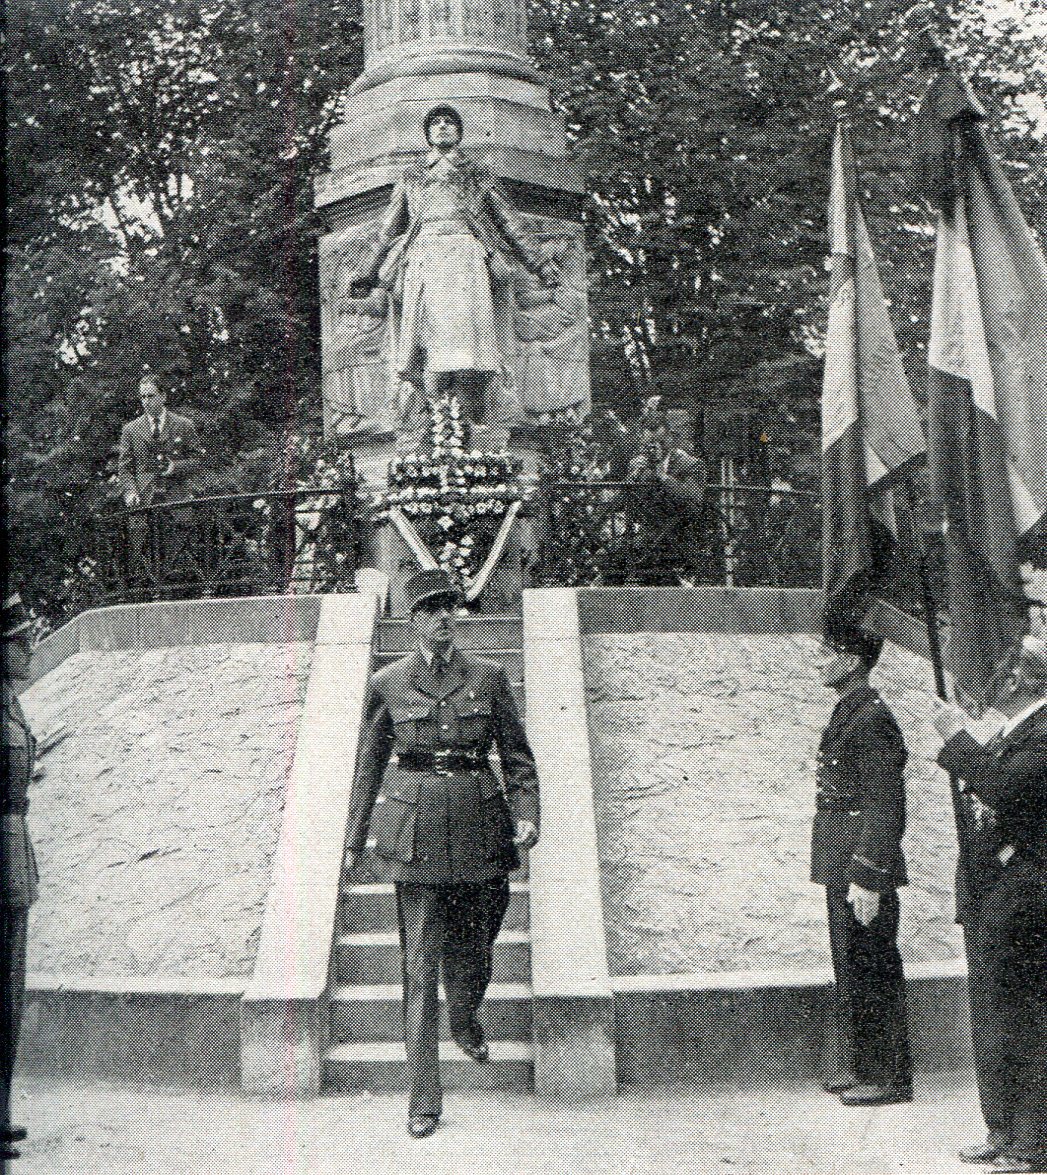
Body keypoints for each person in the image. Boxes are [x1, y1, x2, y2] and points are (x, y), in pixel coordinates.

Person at [344, 569, 540, 1139]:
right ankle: (423, 1098)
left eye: (450, 608)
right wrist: (355, 838)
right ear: (414, 621)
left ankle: (465, 1011)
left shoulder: (489, 677)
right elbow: (368, 766)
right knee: (419, 965)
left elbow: (518, 757)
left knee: (478, 943)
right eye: (430, 610)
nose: (443, 619)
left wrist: (527, 811)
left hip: (482, 824)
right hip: (414, 832)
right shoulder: (388, 683)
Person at [349, 105, 558, 427]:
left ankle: (467, 425)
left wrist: (541, 264)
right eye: (436, 123)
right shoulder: (412, 176)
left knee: (467, 346)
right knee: (427, 343)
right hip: (424, 258)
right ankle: (438, 426)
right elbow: (389, 227)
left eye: (450, 123)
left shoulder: (478, 174)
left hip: (466, 258)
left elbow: (509, 223)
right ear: (428, 134)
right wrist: (367, 272)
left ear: (459, 132)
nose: (443, 127)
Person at [932, 635, 1047, 1174]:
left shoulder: (1042, 732)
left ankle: (1032, 1141)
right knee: (991, 1017)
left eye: (1006, 671)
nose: (996, 680)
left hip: (1025, 895)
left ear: (1024, 680)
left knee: (1023, 1020)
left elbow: (1004, 787)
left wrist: (956, 739)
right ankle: (1001, 1128)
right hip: (991, 894)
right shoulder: (1011, 731)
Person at [811, 623, 913, 1107]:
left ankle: (889, 1077)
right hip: (843, 860)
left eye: (828, 654)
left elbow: (885, 802)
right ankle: (864, 1065)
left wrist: (868, 875)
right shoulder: (850, 712)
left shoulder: (871, 717)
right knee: (852, 965)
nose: (820, 662)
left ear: (853, 660)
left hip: (860, 864)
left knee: (873, 967)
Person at [2, 593, 40, 1164]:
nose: (29, 650)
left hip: (13, 850)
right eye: (18, 642)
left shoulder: (12, 704)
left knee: (11, 991)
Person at [117, 371, 204, 510]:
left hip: (178, 501)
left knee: (183, 530)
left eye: (150, 396)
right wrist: (130, 493)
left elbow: (199, 460)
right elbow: (125, 468)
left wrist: (175, 467)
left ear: (163, 396)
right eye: (143, 397)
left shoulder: (183, 424)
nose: (146, 401)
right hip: (143, 502)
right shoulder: (130, 429)